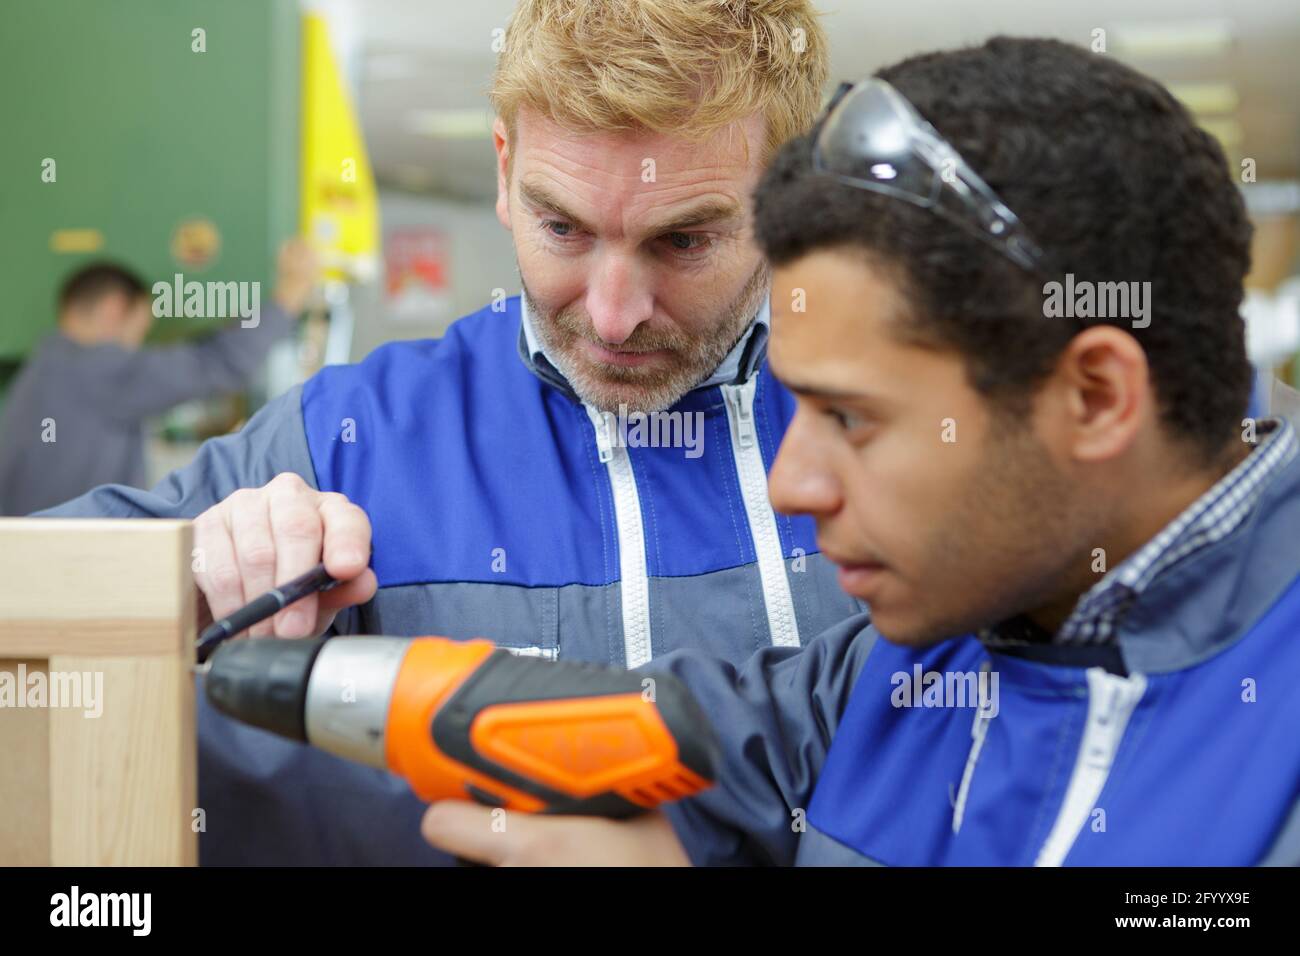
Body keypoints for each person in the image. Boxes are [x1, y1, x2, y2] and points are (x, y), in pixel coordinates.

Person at [420, 37, 1300, 866]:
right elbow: (627, 729)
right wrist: (295, 640)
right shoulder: (913, 662)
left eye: (850, 419)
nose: (789, 483)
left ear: (1097, 397)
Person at [38, 0, 862, 864]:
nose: (614, 317)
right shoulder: (350, 439)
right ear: (505, 172)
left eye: (684, 240)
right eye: (562, 228)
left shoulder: (894, 436)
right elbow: (37, 599)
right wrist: (182, 573)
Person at [0, 240, 313, 514]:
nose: (139, 346)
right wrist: (290, 293)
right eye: (140, 329)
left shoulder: (47, 367)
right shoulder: (94, 370)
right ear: (113, 310)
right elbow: (215, 363)